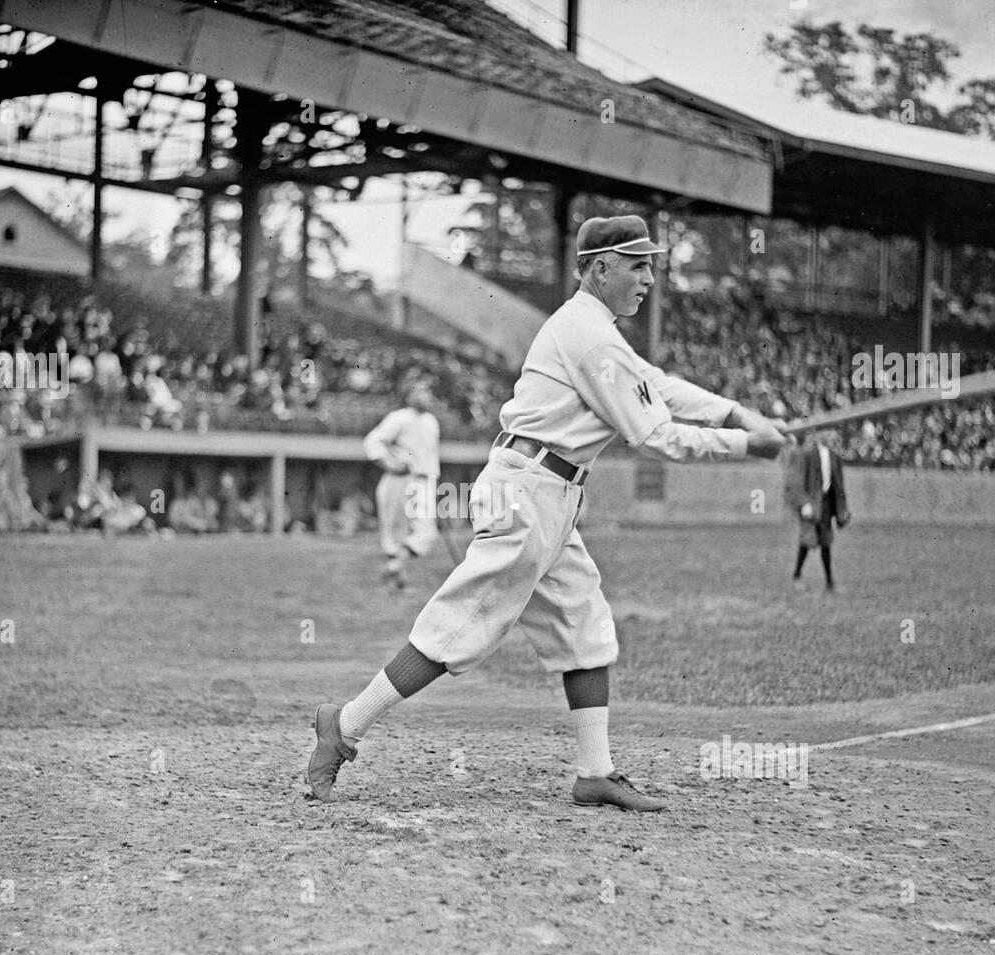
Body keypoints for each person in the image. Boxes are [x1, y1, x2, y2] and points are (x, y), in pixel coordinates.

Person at [306, 215, 788, 812]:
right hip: (528, 491)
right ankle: (344, 725)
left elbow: (655, 384)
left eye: (651, 265)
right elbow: (655, 434)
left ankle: (594, 772)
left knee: (586, 628)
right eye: (637, 265)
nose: (649, 278)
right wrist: (749, 446)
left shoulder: (600, 332)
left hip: (553, 494)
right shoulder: (587, 334)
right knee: (461, 627)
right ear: (600, 267)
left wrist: (738, 415)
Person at [363, 380, 441, 588]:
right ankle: (397, 583)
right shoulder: (399, 418)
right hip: (399, 479)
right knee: (395, 531)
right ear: (409, 395)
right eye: (422, 392)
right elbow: (373, 441)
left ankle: (394, 567)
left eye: (429, 392)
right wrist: (390, 463)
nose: (427, 397)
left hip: (423, 480)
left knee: (426, 531)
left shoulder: (431, 421)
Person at [784, 429, 850, 593]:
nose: (831, 436)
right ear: (820, 434)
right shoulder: (806, 454)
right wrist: (804, 503)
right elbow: (796, 481)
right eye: (828, 432)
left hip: (826, 505)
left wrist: (842, 509)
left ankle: (829, 582)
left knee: (826, 542)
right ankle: (797, 576)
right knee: (807, 540)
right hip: (811, 505)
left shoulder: (834, 456)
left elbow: (839, 485)